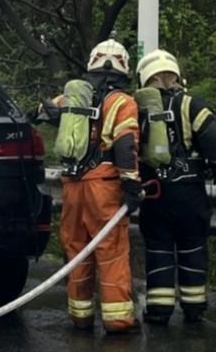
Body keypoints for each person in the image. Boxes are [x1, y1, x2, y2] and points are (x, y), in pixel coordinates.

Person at [44, 39, 143, 334]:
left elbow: (43, 110)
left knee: (77, 249)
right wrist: (132, 183)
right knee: (110, 250)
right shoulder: (122, 102)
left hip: (73, 186)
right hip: (104, 185)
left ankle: (81, 316)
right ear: (124, 68)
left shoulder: (71, 98)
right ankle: (118, 320)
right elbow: (126, 144)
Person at [135, 49, 216, 325]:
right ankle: (194, 307)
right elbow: (213, 138)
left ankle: (159, 310)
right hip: (189, 193)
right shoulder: (190, 104)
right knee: (192, 247)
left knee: (158, 249)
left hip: (154, 193)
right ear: (175, 74)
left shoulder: (138, 108)